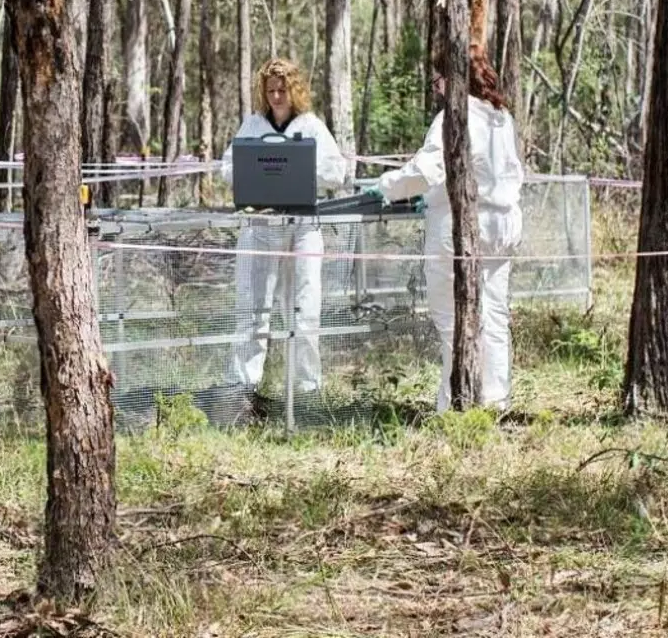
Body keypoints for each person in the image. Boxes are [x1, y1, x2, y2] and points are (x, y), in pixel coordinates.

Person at [367, 49, 525, 413]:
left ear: (454, 79)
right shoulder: (501, 116)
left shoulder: (455, 114)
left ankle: (454, 406)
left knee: (450, 318)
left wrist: (388, 186)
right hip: (501, 224)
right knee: (494, 316)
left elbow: (427, 169)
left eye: (439, 81)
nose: (437, 90)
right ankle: (494, 402)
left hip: (459, 226)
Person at [217, 58, 347, 419]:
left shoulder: (311, 126)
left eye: (282, 90)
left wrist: (298, 165)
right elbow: (227, 167)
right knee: (254, 310)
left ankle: (307, 392)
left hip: (304, 227)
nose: (276, 97)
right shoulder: (253, 125)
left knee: (305, 309)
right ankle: (243, 390)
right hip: (260, 228)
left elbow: (338, 171)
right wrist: (256, 167)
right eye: (270, 91)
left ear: (295, 90)